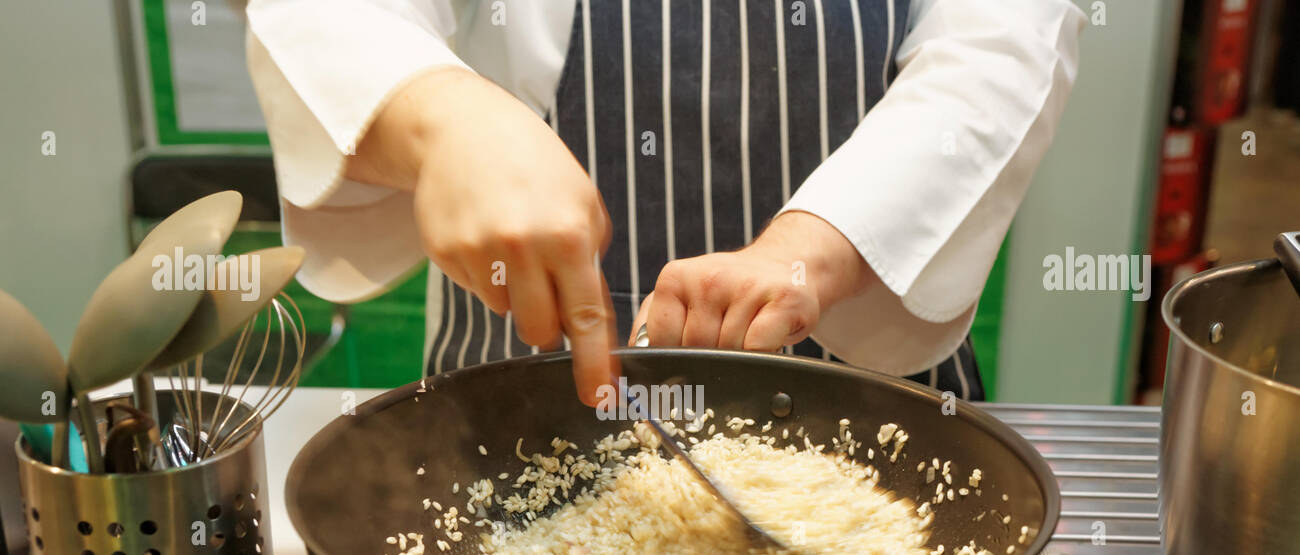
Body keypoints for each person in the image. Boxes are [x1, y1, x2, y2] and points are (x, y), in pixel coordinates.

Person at [244, 0, 1084, 405]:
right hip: (519, 394)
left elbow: (1001, 44)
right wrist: (444, 121)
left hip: (872, 395)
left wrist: (820, 246)